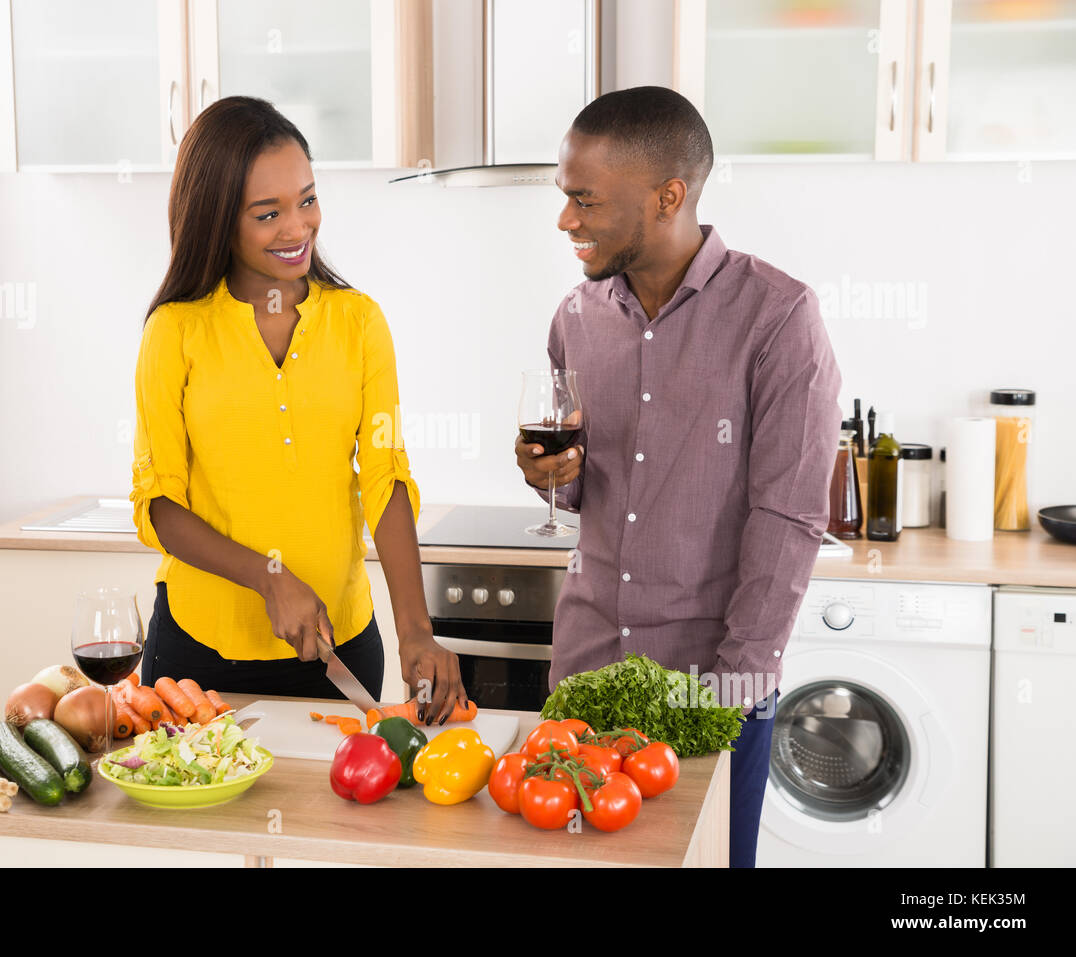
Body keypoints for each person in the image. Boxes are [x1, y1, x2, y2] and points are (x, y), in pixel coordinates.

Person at [514, 87, 842, 866]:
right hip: (585, 677)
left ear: (669, 196)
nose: (567, 220)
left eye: (585, 200)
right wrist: (546, 477)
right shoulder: (575, 316)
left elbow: (789, 518)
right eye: (565, 198)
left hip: (708, 684)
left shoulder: (778, 317)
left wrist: (729, 693)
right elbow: (581, 493)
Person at [131, 96, 467, 723]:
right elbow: (158, 503)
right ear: (217, 219)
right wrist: (269, 577)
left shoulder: (358, 322)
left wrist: (415, 631)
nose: (298, 228)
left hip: (338, 647)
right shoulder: (175, 332)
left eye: (307, 200)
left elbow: (386, 478)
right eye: (268, 214)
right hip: (198, 658)